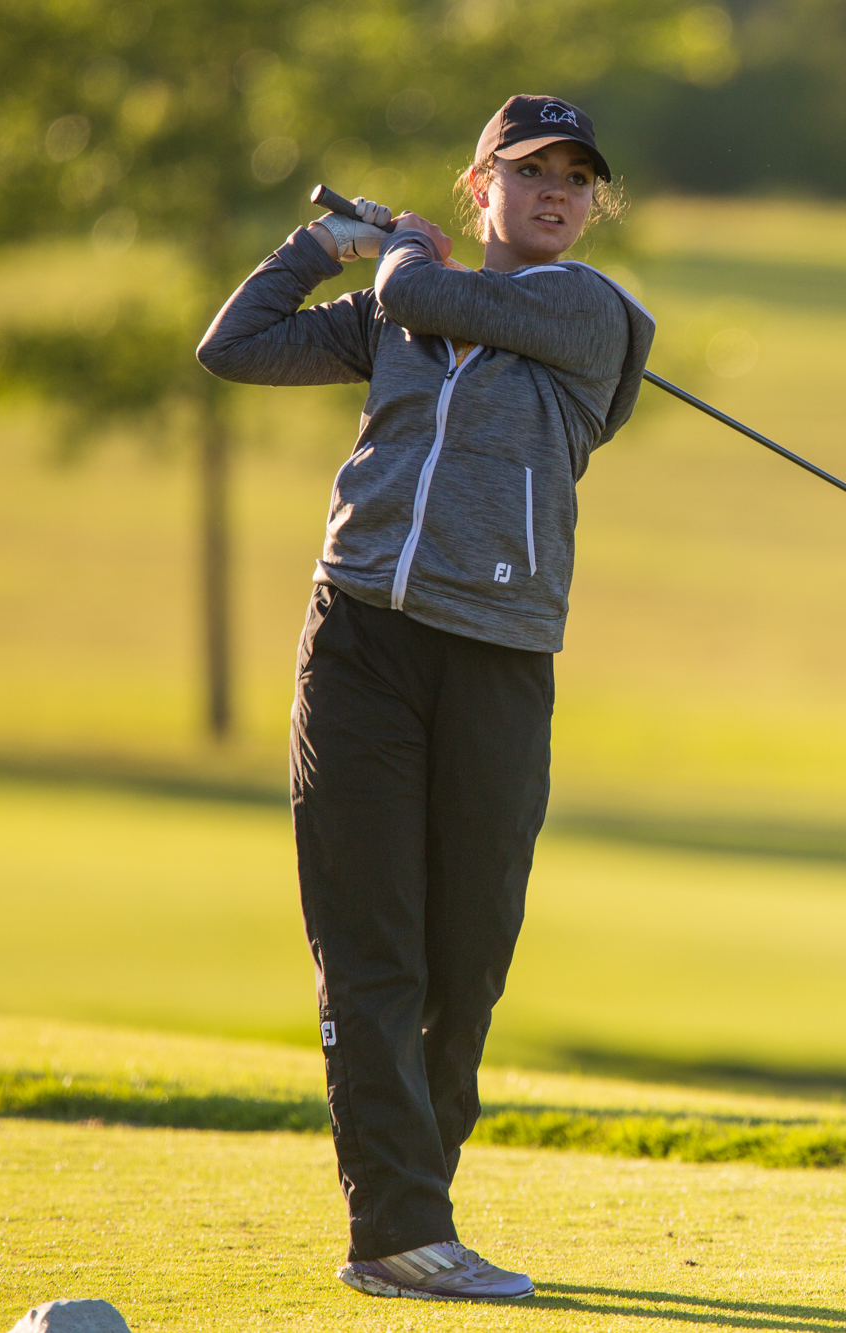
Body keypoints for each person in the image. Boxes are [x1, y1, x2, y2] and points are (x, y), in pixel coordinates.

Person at [196, 94, 655, 1303]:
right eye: (528, 170)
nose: (555, 192)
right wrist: (321, 248)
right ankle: (397, 1231)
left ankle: (415, 1207)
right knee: (371, 950)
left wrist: (398, 246)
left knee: (468, 958)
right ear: (481, 186)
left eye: (576, 178)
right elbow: (234, 348)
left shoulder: (585, 310)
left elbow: (427, 297)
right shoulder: (396, 314)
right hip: (358, 641)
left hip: (497, 654)